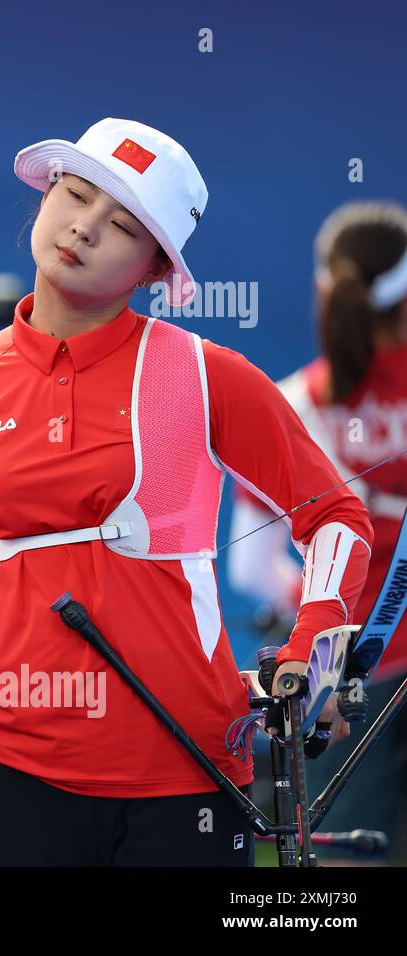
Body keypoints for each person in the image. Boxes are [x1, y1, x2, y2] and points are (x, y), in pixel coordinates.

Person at [0, 117, 373, 866]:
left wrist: (316, 642)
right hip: (7, 763)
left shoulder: (207, 373)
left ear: (152, 268)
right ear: (46, 194)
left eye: (120, 225)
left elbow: (336, 515)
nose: (82, 228)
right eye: (75, 194)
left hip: (184, 765)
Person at [227, 200, 407, 853]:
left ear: (322, 290)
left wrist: (311, 611)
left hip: (343, 676)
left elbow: (249, 567)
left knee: (338, 871)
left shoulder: (288, 405)